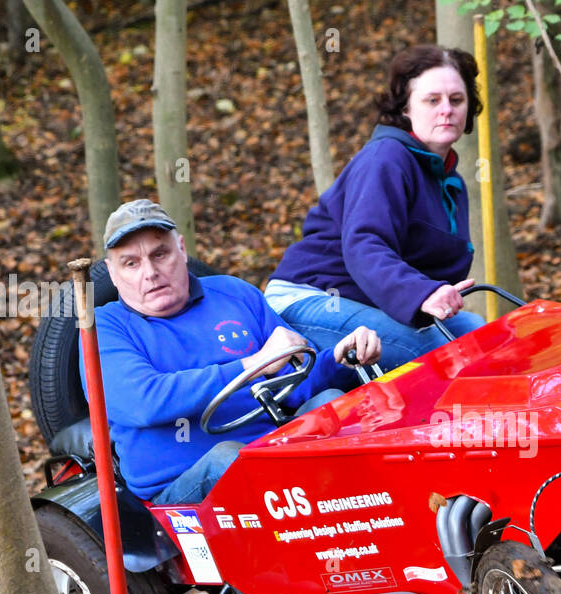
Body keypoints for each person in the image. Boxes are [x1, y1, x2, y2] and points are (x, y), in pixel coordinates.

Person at [87, 199, 382, 504]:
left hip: (273, 451)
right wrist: (254, 364)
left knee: (334, 406)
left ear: (182, 250)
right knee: (229, 460)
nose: (149, 272)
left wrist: (339, 358)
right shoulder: (105, 329)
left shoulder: (233, 293)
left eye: (159, 254)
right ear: (112, 272)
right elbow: (144, 402)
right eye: (131, 263)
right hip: (184, 485)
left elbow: (295, 383)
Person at [265, 45, 487, 377]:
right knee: (438, 355)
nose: (446, 110)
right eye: (432, 100)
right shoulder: (386, 158)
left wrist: (436, 297)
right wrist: (422, 293)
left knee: (482, 334)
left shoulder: (451, 182)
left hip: (371, 305)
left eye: (456, 100)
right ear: (406, 108)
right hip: (310, 298)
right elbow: (364, 245)